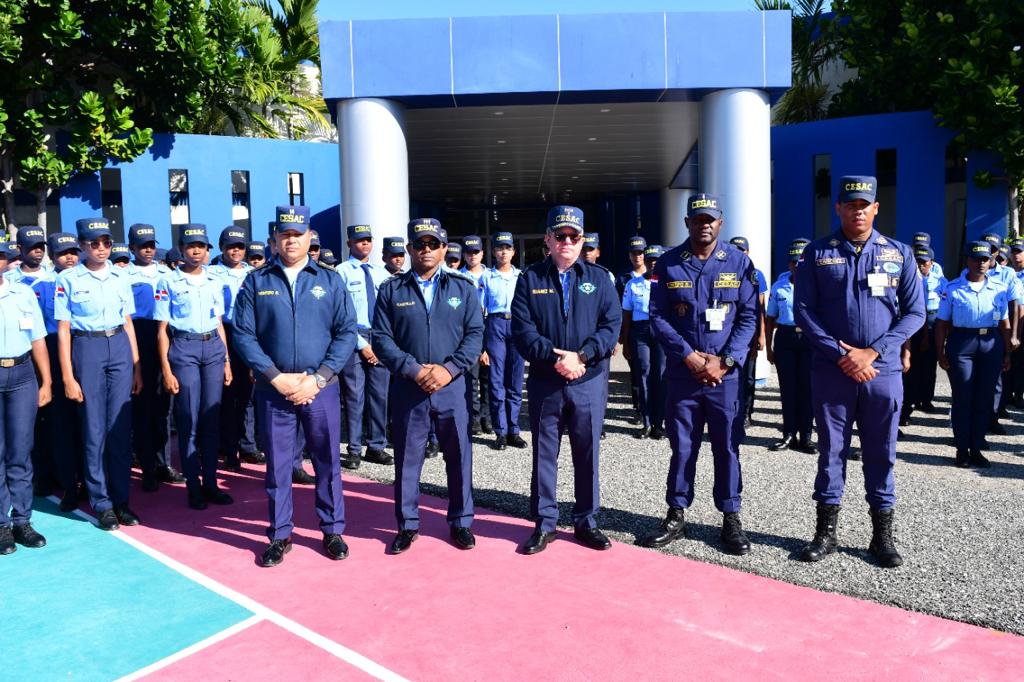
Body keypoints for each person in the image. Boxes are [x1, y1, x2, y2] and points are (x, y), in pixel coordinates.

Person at [793, 176, 924, 568]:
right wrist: (840, 354)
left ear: (876, 208)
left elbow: (916, 312)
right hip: (832, 371)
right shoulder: (817, 254)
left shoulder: (899, 254)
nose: (858, 210)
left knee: (881, 452)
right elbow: (803, 311)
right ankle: (826, 533)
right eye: (850, 205)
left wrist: (873, 351)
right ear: (838, 208)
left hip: (881, 372)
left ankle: (881, 536)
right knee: (831, 451)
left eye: (865, 204)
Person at [232, 205, 358, 567]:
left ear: (308, 238)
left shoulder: (330, 280)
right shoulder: (257, 281)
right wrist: (274, 376)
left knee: (327, 462)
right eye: (284, 235)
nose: (291, 240)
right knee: (278, 466)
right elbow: (243, 334)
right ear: (274, 239)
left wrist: (319, 378)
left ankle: (332, 529)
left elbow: (346, 331)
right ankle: (279, 534)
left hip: (320, 388)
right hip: (275, 389)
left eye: (298, 234)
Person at [640, 194, 758, 555]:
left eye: (710, 219)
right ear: (687, 223)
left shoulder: (738, 263)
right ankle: (676, 513)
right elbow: (657, 316)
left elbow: (749, 316)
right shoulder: (669, 263)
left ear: (720, 223)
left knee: (727, 447)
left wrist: (726, 361)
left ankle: (731, 518)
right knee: (683, 447)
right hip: (684, 374)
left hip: (725, 376)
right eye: (697, 219)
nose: (704, 224)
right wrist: (688, 356)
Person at [511, 206, 621, 554]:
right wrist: (555, 357)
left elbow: (611, 326)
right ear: (548, 239)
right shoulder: (530, 279)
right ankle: (545, 524)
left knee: (587, 453)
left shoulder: (601, 278)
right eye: (561, 236)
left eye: (575, 236)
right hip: (547, 379)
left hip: (588, 379)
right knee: (545, 454)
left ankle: (586, 521)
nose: (568, 242)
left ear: (582, 240)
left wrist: (582, 356)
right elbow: (522, 329)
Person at [372, 218, 484, 554]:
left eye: (433, 244)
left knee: (459, 456)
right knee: (407, 458)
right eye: (419, 244)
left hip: (453, 388)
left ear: (444, 249)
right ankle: (407, 525)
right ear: (408, 249)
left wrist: (449, 370)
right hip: (410, 388)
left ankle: (461, 522)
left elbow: (475, 335)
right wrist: (412, 369)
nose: (426, 250)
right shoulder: (391, 290)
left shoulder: (463, 288)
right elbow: (381, 338)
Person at [55, 217, 144, 531]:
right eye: (94, 243)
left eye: (106, 242)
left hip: (119, 345)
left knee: (119, 428)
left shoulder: (121, 277)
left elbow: (129, 321)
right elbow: (64, 330)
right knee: (94, 429)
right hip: (87, 348)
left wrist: (136, 366)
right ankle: (101, 503)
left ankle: (121, 500)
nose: (102, 248)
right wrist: (67, 377)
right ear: (81, 246)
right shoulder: (68, 279)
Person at [155, 224, 234, 509]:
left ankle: (210, 483)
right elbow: (162, 329)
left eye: (201, 246)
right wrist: (166, 369)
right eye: (191, 246)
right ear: (182, 250)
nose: (196, 251)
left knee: (211, 418)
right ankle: (193, 486)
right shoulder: (168, 282)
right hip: (184, 348)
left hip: (212, 347)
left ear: (208, 249)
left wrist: (226, 360)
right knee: (188, 418)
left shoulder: (214, 281)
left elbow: (218, 323)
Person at [935, 241, 1012, 468]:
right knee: (963, 397)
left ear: (991, 261)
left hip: (990, 343)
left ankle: (977, 447)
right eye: (976, 259)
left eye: (985, 259)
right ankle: (961, 449)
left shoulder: (999, 288)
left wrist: (1007, 352)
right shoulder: (952, 288)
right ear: (967, 260)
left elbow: (1004, 321)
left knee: (984, 397)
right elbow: (941, 323)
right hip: (962, 344)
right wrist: (940, 353)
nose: (981, 263)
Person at [126, 224, 183, 492]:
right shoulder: (122, 275)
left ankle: (163, 463)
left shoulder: (168, 273)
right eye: (142, 245)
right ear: (132, 248)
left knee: (165, 406)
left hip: (164, 337)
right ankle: (147, 467)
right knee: (144, 407)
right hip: (138, 338)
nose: (148, 249)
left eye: (151, 244)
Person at [0, 263, 52, 555]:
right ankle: (0, 525)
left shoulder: (23, 293)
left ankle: (22, 521)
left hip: (22, 375)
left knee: (20, 450)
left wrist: (46, 382)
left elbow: (37, 339)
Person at [5, 227, 60, 496]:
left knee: (54, 417)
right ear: (20, 249)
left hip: (51, 349)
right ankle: (40, 475)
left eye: (41, 246)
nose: (38, 251)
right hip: (22, 356)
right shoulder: (12, 281)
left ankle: (57, 472)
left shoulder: (54, 278)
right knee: (28, 426)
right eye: (32, 246)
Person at [335, 224, 393, 470]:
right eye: (359, 240)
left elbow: (389, 311)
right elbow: (341, 312)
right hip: (353, 337)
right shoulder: (341, 272)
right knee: (355, 397)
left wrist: (380, 342)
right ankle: (355, 449)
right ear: (349, 243)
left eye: (368, 240)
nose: (365, 244)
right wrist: (362, 345)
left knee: (380, 396)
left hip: (379, 337)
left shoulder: (382, 273)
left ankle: (377, 446)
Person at [37, 234, 86, 511]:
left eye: (72, 252)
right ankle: (69, 486)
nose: (69, 257)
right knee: (63, 428)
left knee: (89, 427)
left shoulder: (86, 279)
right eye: (62, 253)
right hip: (57, 360)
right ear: (52, 256)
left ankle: (91, 483)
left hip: (87, 356)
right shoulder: (43, 287)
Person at [209, 227, 261, 472]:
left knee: (248, 395)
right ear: (221, 247)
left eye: (240, 247)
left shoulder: (254, 274)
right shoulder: (211, 274)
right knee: (227, 395)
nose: (236, 251)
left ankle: (248, 445)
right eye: (231, 246)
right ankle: (229, 449)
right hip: (223, 333)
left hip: (249, 335)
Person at [765, 239, 816, 454]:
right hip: (785, 338)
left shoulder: (818, 285)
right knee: (787, 389)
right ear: (789, 265)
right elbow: (769, 318)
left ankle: (806, 436)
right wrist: (768, 347)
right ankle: (788, 434)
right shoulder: (779, 286)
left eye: (802, 262)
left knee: (808, 389)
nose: (798, 266)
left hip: (809, 340)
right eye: (794, 263)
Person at [481, 231, 526, 451]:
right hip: (495, 324)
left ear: (513, 252)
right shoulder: (486, 277)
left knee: (515, 381)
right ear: (493, 252)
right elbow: (480, 312)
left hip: (516, 326)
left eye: (507, 248)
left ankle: (514, 430)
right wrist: (482, 347)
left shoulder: (522, 277)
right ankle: (500, 431)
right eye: (499, 248)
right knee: (497, 380)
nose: (503, 252)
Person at [620, 245, 666, 439]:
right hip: (640, 331)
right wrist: (625, 341)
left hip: (662, 331)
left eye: (656, 260)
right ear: (645, 262)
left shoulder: (668, 284)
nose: (653, 263)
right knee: (644, 374)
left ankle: (660, 423)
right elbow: (627, 314)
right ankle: (647, 423)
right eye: (649, 260)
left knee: (661, 376)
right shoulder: (633, 284)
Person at [899, 246, 947, 424]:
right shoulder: (908, 278)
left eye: (924, 262)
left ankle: (925, 399)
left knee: (928, 366)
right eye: (917, 261)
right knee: (910, 368)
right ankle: (908, 405)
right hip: (912, 325)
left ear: (931, 263)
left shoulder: (940, 280)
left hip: (932, 324)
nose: (920, 265)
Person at [728, 236, 768, 430]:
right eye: (735, 249)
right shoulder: (724, 270)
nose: (739, 253)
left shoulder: (756, 274)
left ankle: (746, 414)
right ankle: (729, 413)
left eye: (742, 250)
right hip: (728, 332)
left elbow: (761, 308)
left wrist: (761, 335)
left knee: (749, 376)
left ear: (747, 252)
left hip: (749, 331)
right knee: (730, 374)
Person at [459, 235, 491, 435]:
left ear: (482, 253)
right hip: (468, 329)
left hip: (491, 327)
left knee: (489, 379)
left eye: (476, 252)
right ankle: (475, 417)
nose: (472, 256)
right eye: (469, 252)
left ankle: (487, 417)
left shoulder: (490, 275)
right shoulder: (458, 277)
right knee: (472, 378)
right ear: (464, 254)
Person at [616, 235, 648, 423]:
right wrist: (622, 335)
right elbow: (620, 308)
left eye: (641, 252)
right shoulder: (623, 278)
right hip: (632, 329)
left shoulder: (656, 276)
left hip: (651, 331)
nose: (638, 256)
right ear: (629, 256)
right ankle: (639, 409)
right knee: (636, 371)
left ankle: (654, 409)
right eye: (634, 253)